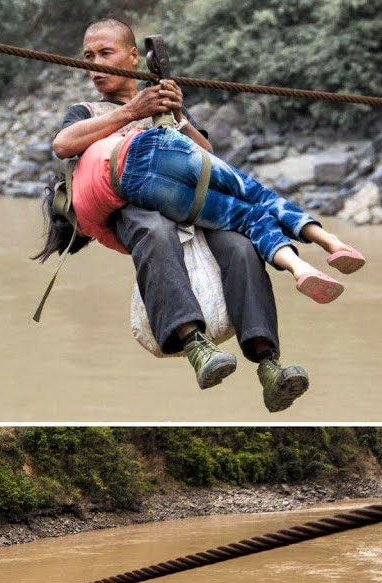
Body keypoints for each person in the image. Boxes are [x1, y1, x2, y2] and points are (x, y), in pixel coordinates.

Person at [41, 18, 322, 412]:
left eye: (106, 54)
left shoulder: (165, 104)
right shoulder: (86, 110)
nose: (95, 66)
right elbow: (63, 144)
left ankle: (268, 363)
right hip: (131, 210)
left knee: (240, 245)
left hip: (189, 206)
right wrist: (132, 112)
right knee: (153, 228)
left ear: (132, 57)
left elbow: (207, 157)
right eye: (89, 57)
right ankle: (194, 344)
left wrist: (179, 118)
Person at [68, 123, 364, 303]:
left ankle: (301, 270)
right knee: (258, 196)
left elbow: (141, 248)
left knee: (248, 219)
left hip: (141, 187)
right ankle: (331, 242)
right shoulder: (88, 151)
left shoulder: (91, 224)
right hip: (154, 146)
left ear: (75, 230)